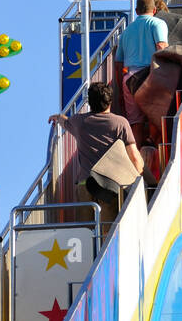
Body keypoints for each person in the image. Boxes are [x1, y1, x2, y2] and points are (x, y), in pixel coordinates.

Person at [49, 81, 143, 234]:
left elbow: (65, 121)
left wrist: (57, 117)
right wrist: (136, 180)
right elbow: (135, 158)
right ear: (110, 101)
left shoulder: (80, 122)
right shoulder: (120, 123)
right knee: (108, 234)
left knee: (86, 234)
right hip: (110, 185)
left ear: (90, 103)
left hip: (85, 185)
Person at [114, 0, 168, 147]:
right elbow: (162, 47)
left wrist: (119, 89)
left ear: (136, 11)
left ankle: (136, 158)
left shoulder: (126, 32)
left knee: (135, 123)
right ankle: (152, 144)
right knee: (155, 114)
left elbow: (118, 64)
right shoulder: (158, 23)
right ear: (155, 9)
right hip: (149, 75)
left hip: (129, 79)